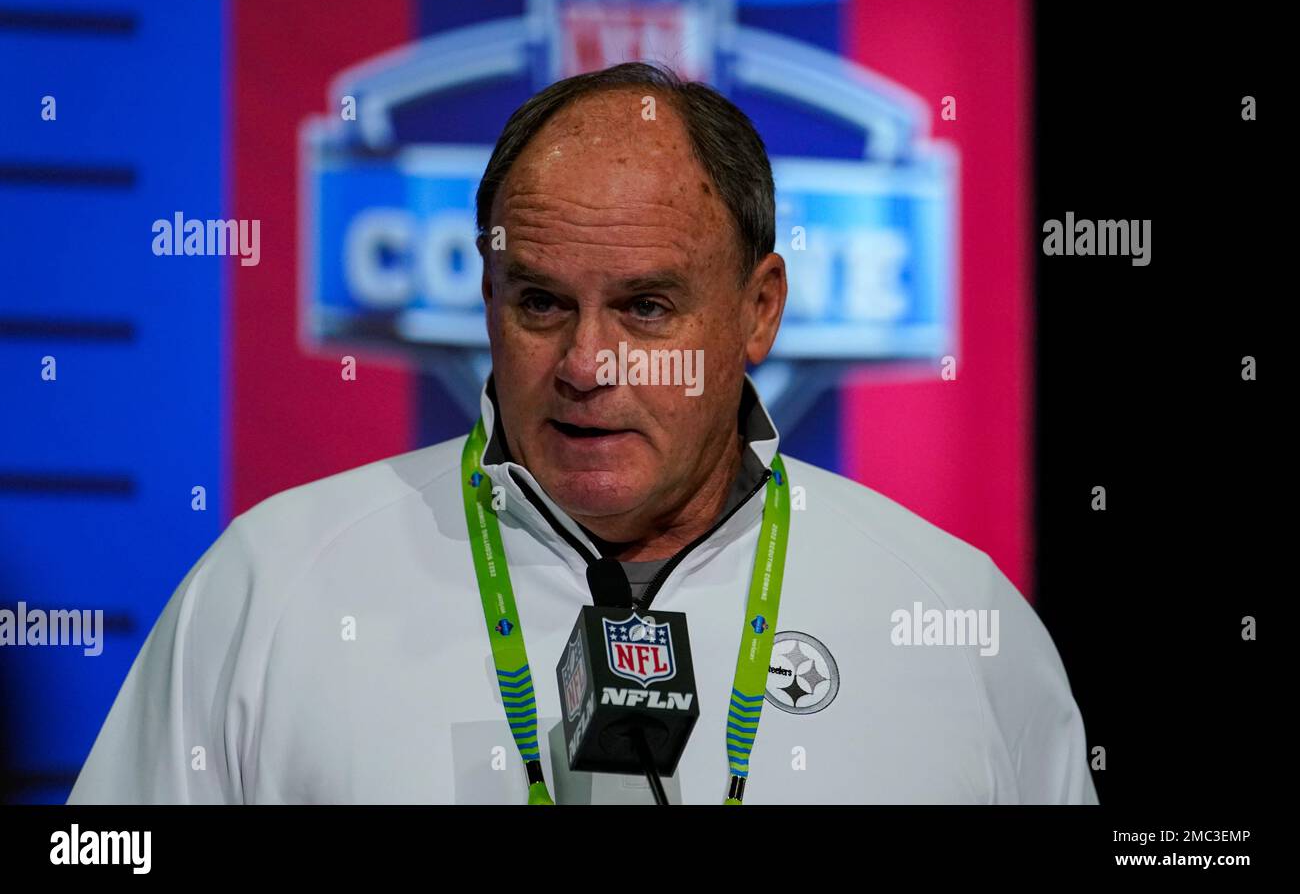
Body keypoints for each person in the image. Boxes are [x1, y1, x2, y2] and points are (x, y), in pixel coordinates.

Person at [68, 62, 1098, 804]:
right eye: (541, 302)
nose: (585, 361)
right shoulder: (271, 583)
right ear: (484, 296)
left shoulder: (957, 617)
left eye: (647, 306)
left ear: (758, 308)